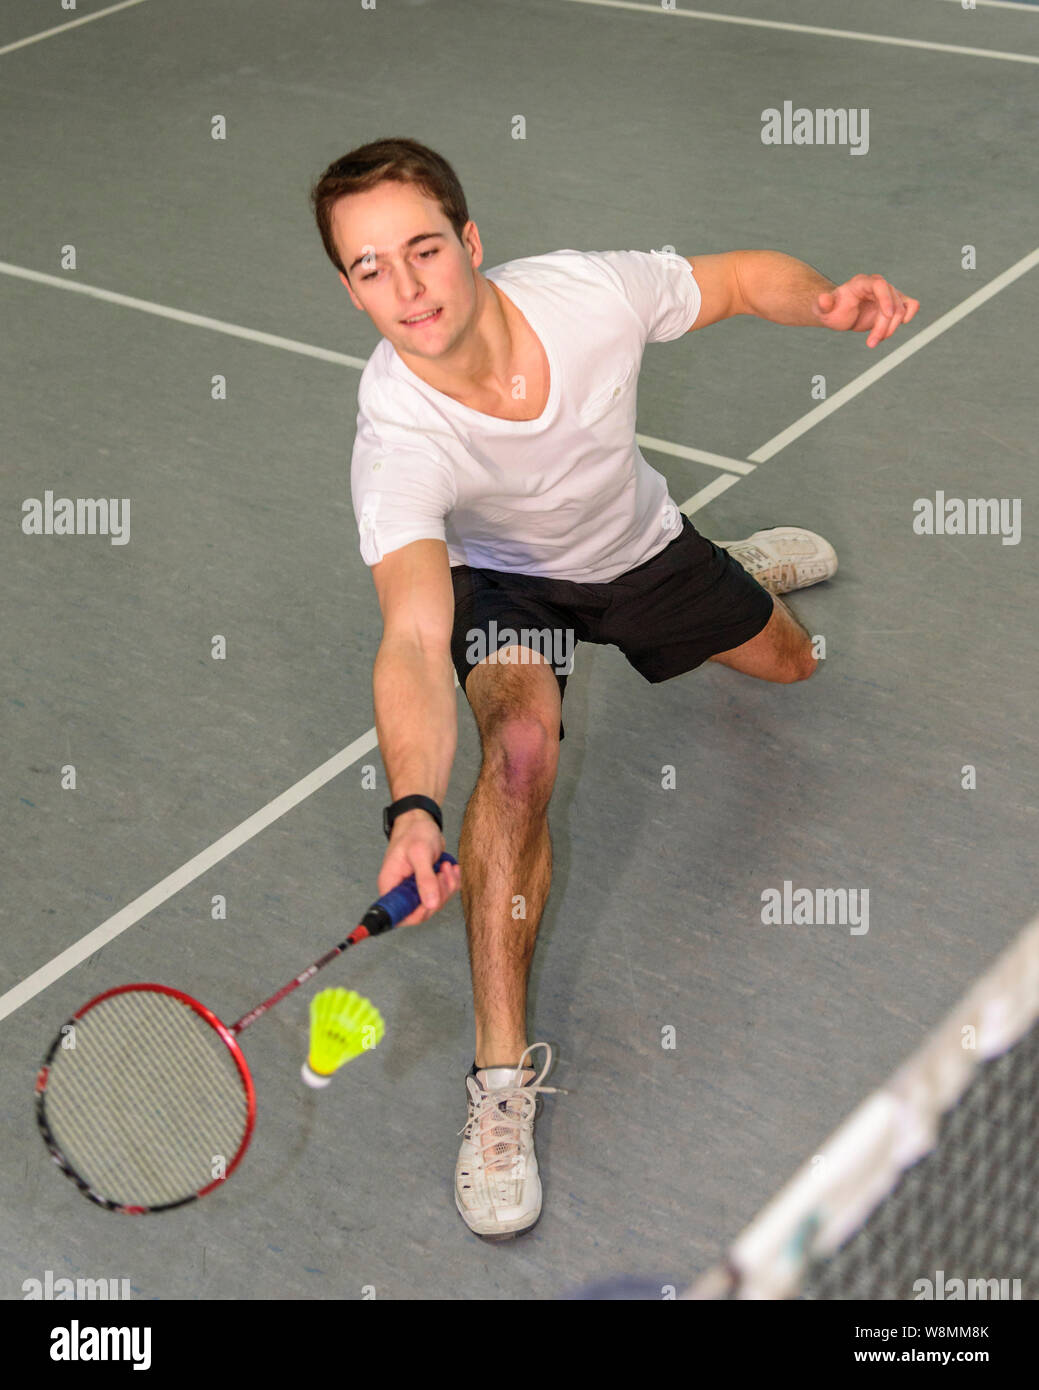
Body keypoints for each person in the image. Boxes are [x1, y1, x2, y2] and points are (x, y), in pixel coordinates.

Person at [309, 136, 920, 1241]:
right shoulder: (396, 433)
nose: (405, 290)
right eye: (367, 269)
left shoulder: (586, 295)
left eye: (423, 250)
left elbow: (734, 281)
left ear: (471, 241)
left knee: (794, 666)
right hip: (507, 588)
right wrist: (409, 806)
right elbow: (409, 635)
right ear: (346, 286)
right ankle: (498, 1082)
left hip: (640, 551)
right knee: (522, 757)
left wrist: (822, 299)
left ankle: (736, 574)